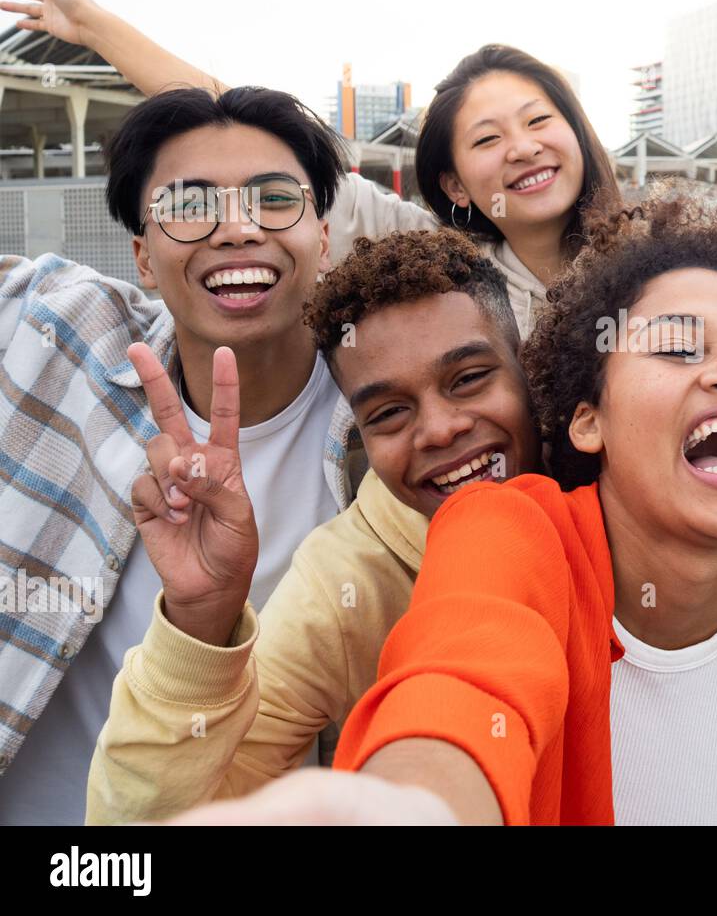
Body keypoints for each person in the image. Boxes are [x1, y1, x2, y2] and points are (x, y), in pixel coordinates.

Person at [148, 188, 717, 825]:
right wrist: (413, 804)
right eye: (677, 349)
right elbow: (465, 675)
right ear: (586, 417)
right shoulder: (498, 529)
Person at [84, 229, 543, 823]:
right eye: (389, 413)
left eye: (469, 379)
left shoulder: (622, 485)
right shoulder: (344, 583)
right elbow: (143, 825)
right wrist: (200, 620)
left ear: (527, 367)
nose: (439, 429)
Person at [0, 85, 367, 824]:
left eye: (273, 199)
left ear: (324, 239)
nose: (236, 229)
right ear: (141, 254)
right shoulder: (61, 329)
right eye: (188, 205)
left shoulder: (383, 432)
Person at [1, 0, 617, 339]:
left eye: (539, 120)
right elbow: (250, 130)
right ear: (454, 184)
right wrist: (93, 27)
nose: (522, 148)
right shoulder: (439, 256)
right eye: (487, 138)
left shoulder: (664, 252)